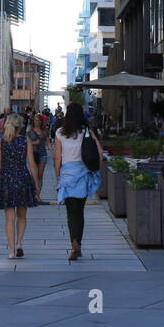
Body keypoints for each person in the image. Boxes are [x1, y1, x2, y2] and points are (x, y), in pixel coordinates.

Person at [53, 103, 102, 261]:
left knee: (70, 212)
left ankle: (74, 242)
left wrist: (57, 175)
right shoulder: (86, 131)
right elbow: (99, 152)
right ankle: (78, 244)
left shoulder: (60, 133)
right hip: (83, 174)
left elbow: (57, 157)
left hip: (67, 175)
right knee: (79, 212)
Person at [0, 114, 40, 259]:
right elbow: (32, 164)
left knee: (9, 218)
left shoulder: (1, 142)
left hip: (6, 179)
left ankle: (11, 251)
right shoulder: (26, 140)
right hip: (22, 178)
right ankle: (19, 243)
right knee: (22, 216)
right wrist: (37, 184)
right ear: (20, 126)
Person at [27, 111, 49, 197]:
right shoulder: (29, 131)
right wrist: (34, 143)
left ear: (41, 121)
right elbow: (26, 142)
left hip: (43, 154)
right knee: (34, 176)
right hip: (33, 154)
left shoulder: (44, 131)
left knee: (40, 175)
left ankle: (38, 195)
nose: (37, 122)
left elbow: (48, 142)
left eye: (38, 120)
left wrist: (53, 151)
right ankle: (34, 194)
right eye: (35, 120)